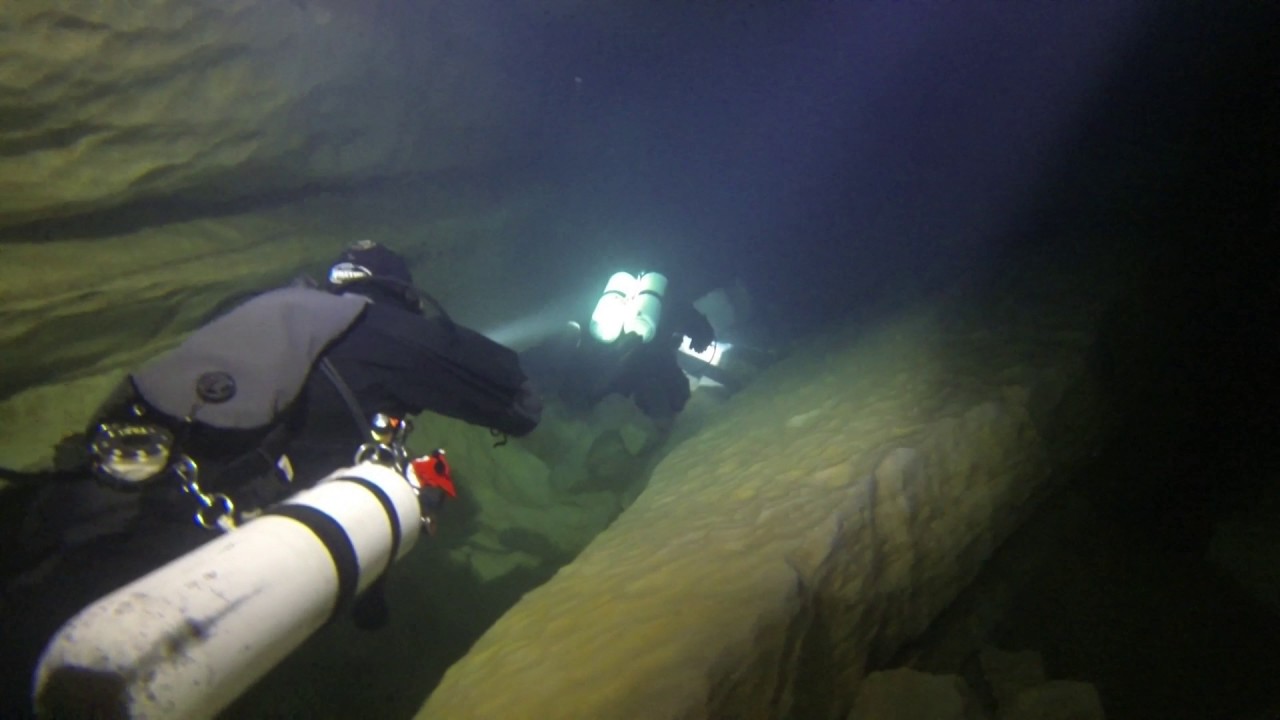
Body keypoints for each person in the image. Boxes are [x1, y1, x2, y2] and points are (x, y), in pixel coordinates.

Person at [0, 240, 542, 717]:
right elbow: (516, 400)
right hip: (187, 532)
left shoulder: (266, 312)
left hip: (92, 479)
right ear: (399, 296)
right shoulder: (379, 326)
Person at [522, 269, 715, 424]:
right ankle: (664, 426)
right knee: (668, 390)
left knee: (589, 384)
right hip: (637, 362)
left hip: (605, 355)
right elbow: (697, 329)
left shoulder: (607, 301)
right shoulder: (666, 307)